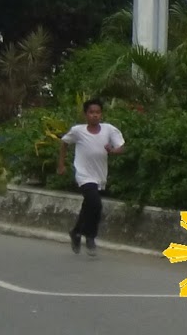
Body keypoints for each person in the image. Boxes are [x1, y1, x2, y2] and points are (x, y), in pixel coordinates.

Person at [57, 98, 125, 257]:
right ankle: (90, 237)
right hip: (83, 174)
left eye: (98, 112)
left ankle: (76, 232)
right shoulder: (78, 131)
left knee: (88, 206)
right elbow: (64, 143)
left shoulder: (109, 130)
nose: (95, 115)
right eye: (91, 112)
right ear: (85, 114)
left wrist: (113, 151)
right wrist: (61, 164)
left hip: (99, 175)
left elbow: (122, 148)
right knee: (95, 204)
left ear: (101, 114)